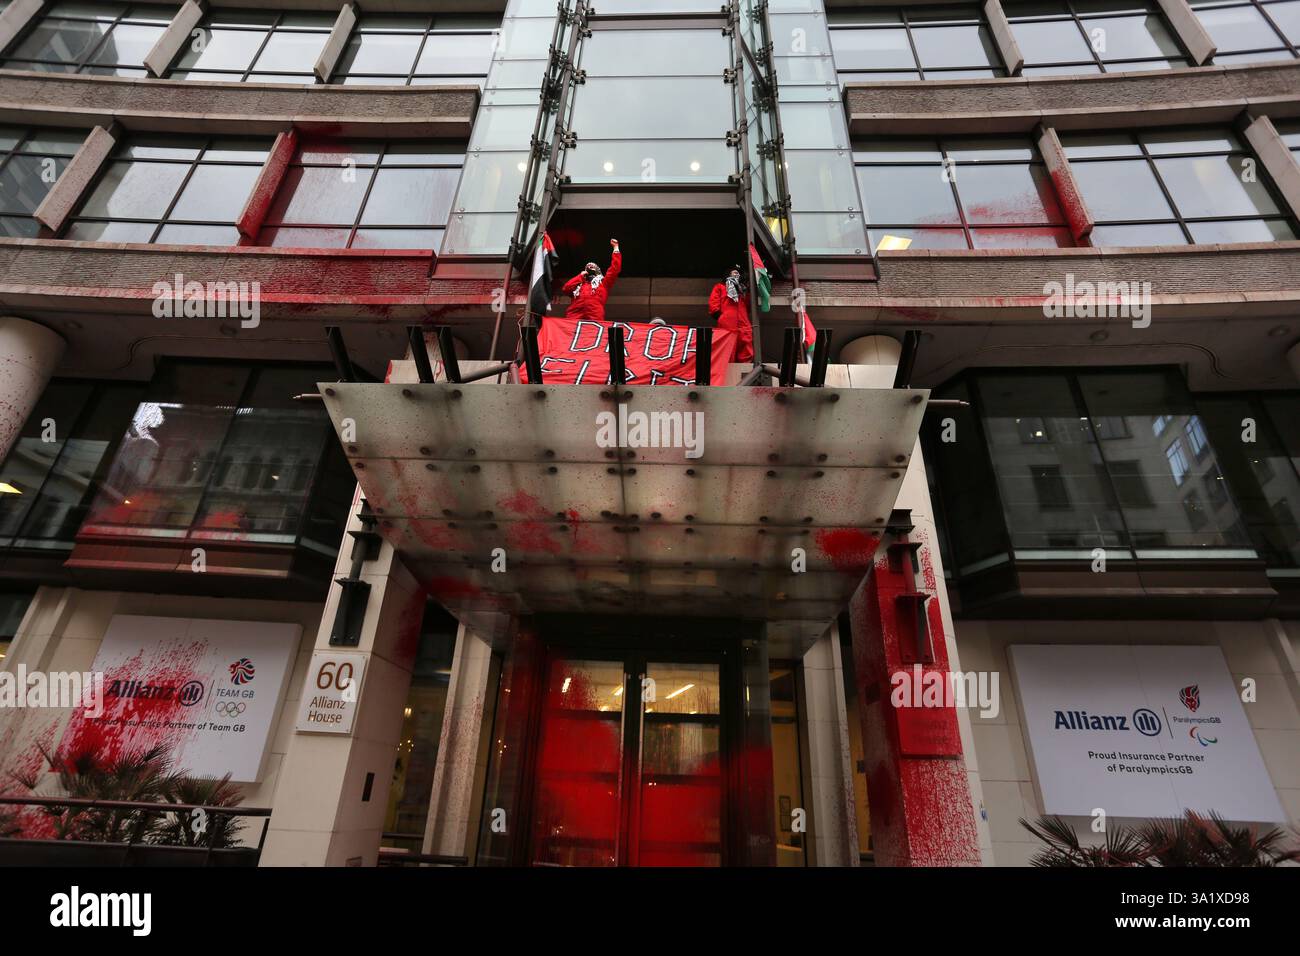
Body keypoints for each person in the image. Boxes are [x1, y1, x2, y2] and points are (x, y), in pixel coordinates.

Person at [562, 238, 621, 323]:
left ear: (599, 271)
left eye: (593, 266)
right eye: (588, 267)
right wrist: (580, 276)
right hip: (574, 315)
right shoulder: (579, 284)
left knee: (593, 334)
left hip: (595, 316)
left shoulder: (603, 283)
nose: (590, 266)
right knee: (571, 333)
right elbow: (566, 288)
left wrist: (616, 248)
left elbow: (614, 269)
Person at [708, 263, 755, 363]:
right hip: (727, 321)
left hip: (743, 321)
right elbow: (713, 304)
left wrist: (747, 291)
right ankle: (728, 368)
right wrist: (721, 317)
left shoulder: (743, 289)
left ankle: (745, 368)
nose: (737, 274)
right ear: (728, 274)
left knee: (746, 342)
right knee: (728, 344)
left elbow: (748, 306)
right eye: (734, 272)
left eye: (738, 273)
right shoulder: (720, 287)